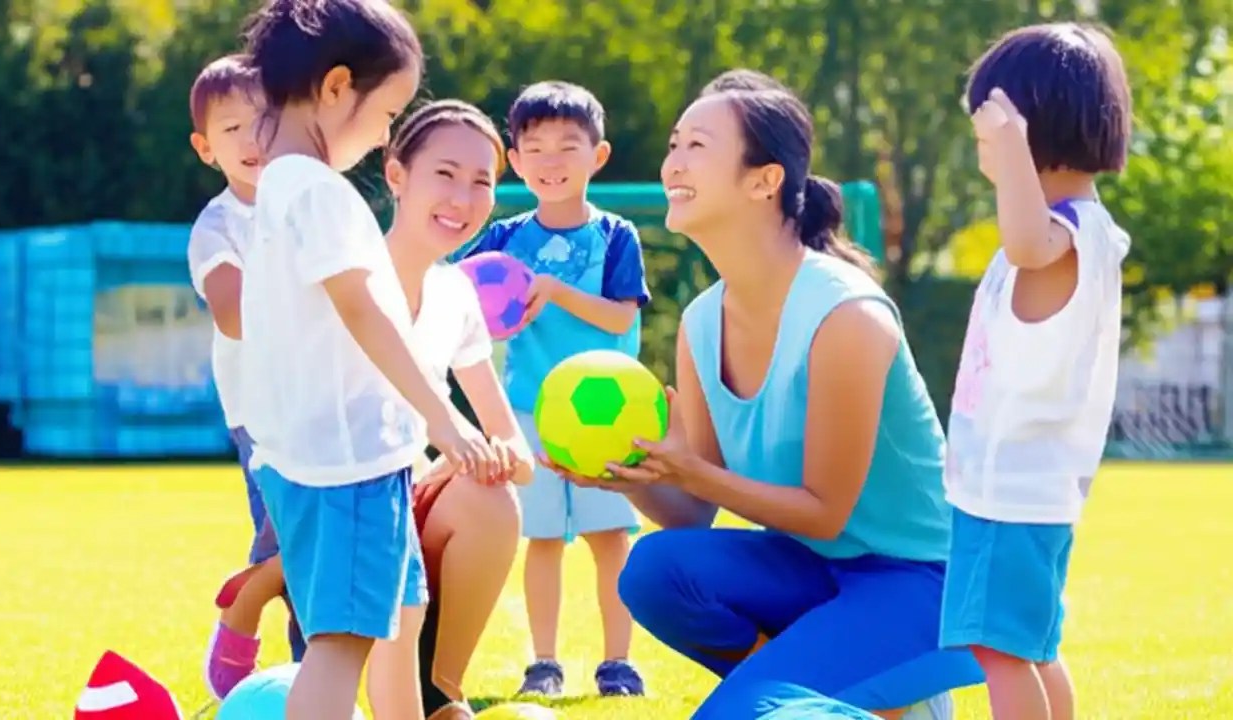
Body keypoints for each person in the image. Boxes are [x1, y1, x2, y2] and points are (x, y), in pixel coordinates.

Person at [551, 69, 983, 720]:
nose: (673, 163)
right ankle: (865, 699)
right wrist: (633, 474)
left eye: (697, 146)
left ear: (764, 180)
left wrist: (692, 471)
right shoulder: (702, 321)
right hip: (808, 567)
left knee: (743, 713)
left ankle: (853, 688)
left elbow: (824, 513)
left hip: (921, 582)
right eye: (674, 145)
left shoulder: (846, 316)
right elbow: (693, 513)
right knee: (654, 570)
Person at [238, 1, 506, 718]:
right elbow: (361, 310)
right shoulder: (321, 194)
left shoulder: (280, 188)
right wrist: (443, 420)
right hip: (350, 468)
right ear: (335, 88)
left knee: (396, 619)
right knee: (341, 644)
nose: (387, 131)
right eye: (387, 112)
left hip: (325, 464)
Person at [943, 24, 1132, 720]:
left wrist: (1011, 147)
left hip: (1012, 488)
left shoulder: (1062, 235)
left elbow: (1025, 243)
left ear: (1028, 127)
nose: (983, 146)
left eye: (989, 129)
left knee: (1000, 650)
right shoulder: (1077, 229)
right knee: (1030, 646)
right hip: (1026, 485)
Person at [455, 81, 650, 698]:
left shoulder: (616, 235)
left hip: (608, 415)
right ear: (514, 160)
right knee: (540, 540)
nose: (551, 160)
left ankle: (618, 664)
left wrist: (556, 291)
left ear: (598, 156)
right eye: (534, 148)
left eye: (568, 146)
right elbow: (457, 297)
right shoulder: (502, 239)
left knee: (609, 539)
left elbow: (621, 318)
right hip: (527, 412)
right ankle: (544, 664)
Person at [363, 99, 535, 720]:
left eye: (481, 182)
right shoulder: (351, 278)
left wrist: (470, 455)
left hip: (408, 497)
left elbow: (517, 453)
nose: (463, 198)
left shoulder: (456, 292)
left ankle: (439, 691)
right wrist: (454, 440)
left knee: (492, 498)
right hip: (342, 504)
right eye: (445, 174)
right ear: (396, 174)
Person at [185, 52, 307, 700]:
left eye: (264, 121)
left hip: (332, 401)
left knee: (323, 538)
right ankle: (251, 615)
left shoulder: (315, 204)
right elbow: (233, 317)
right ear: (206, 148)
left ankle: (312, 667)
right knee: (292, 532)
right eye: (232, 128)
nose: (252, 138)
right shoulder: (218, 226)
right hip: (263, 412)